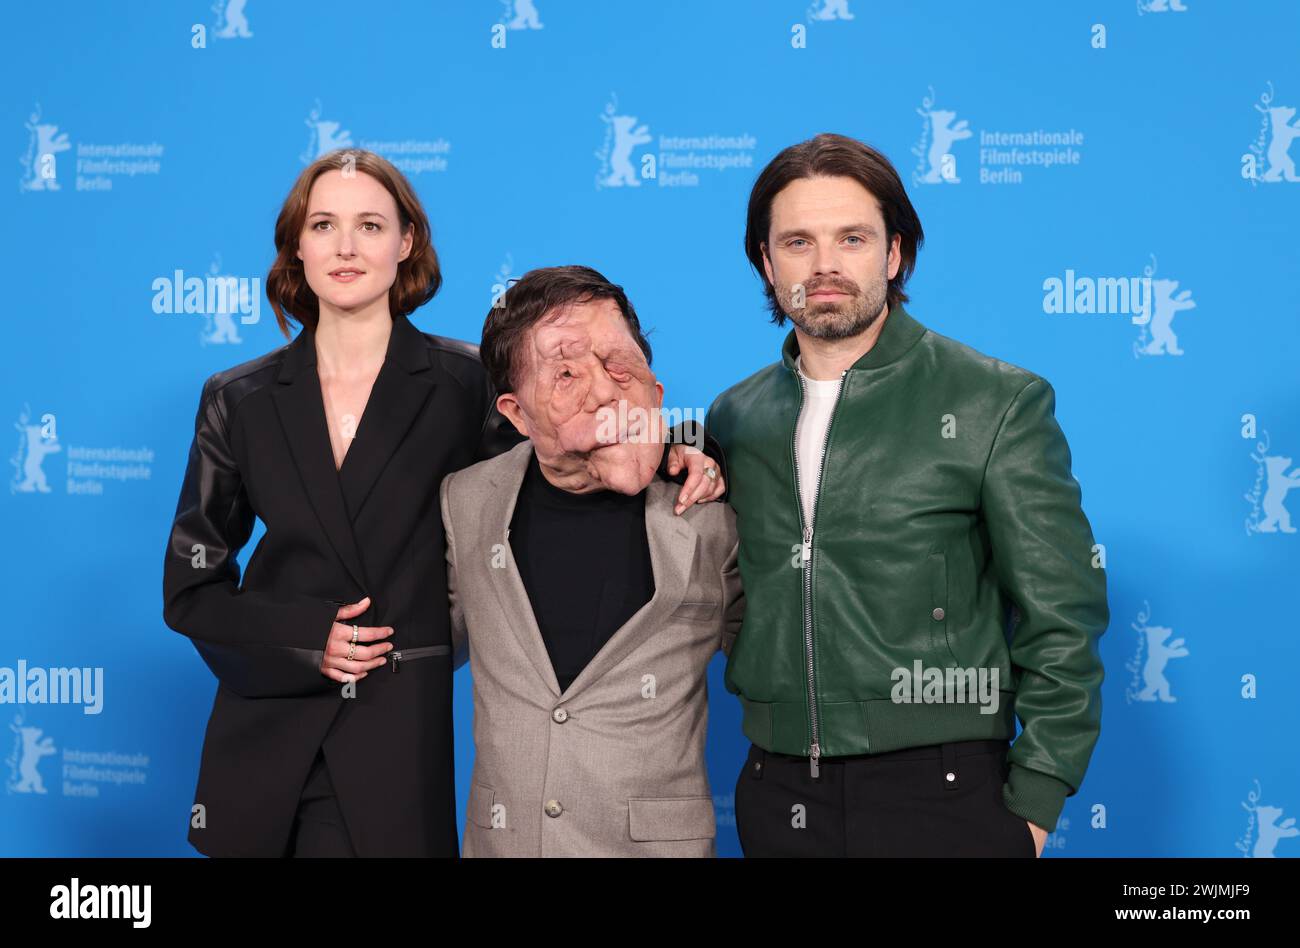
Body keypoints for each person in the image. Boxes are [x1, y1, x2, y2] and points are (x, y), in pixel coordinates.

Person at [161, 149, 724, 857]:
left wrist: (681, 441)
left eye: (370, 224)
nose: (344, 245)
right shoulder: (235, 397)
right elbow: (191, 591)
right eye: (324, 224)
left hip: (396, 737)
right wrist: (304, 640)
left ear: (406, 243)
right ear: (295, 247)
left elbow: (566, 436)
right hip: (265, 734)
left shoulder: (465, 381)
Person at [707, 133, 1109, 857]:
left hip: (946, 794)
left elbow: (1064, 616)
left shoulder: (995, 401)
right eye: (797, 242)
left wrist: (1036, 802)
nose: (825, 265)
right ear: (766, 264)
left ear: (893, 254)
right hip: (777, 792)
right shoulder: (734, 418)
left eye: (852, 238)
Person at [441, 265, 744, 856]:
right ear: (516, 413)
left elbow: (778, 662)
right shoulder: (466, 501)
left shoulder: (714, 509)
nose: (605, 390)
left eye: (618, 364)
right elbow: (426, 645)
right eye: (565, 373)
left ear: (655, 388)